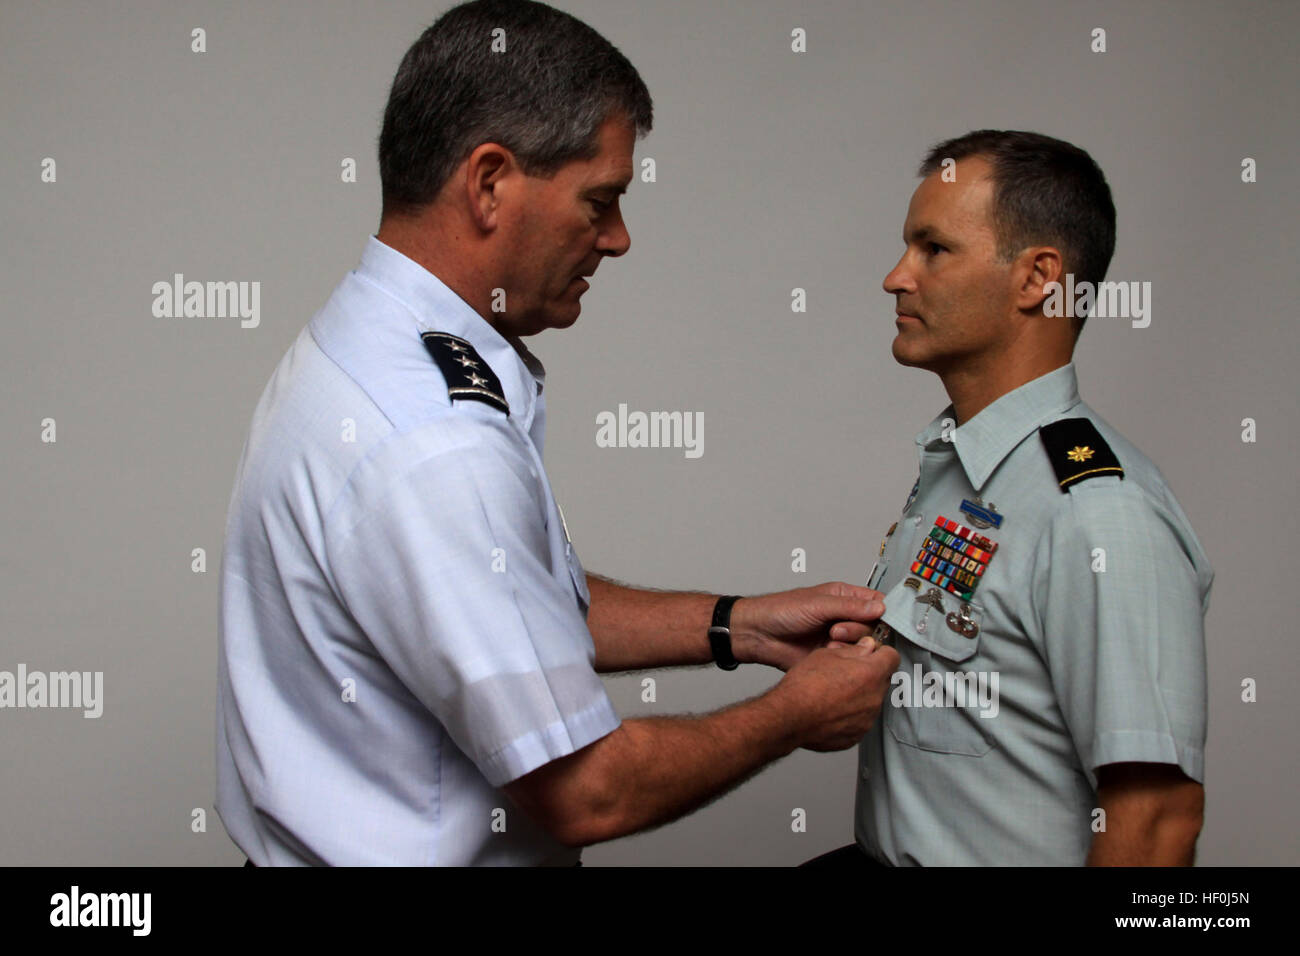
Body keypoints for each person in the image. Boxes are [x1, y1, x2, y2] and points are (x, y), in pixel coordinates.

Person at [215, 0, 898, 867]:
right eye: (599, 201)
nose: (618, 239)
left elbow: (515, 618)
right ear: (490, 182)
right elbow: (588, 791)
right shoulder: (436, 442)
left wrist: (742, 627)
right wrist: (795, 715)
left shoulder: (356, 342)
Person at [806, 130, 1211, 867]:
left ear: (1037, 278)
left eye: (934, 249)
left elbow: (1154, 823)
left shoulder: (1100, 513)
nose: (896, 277)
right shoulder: (966, 468)